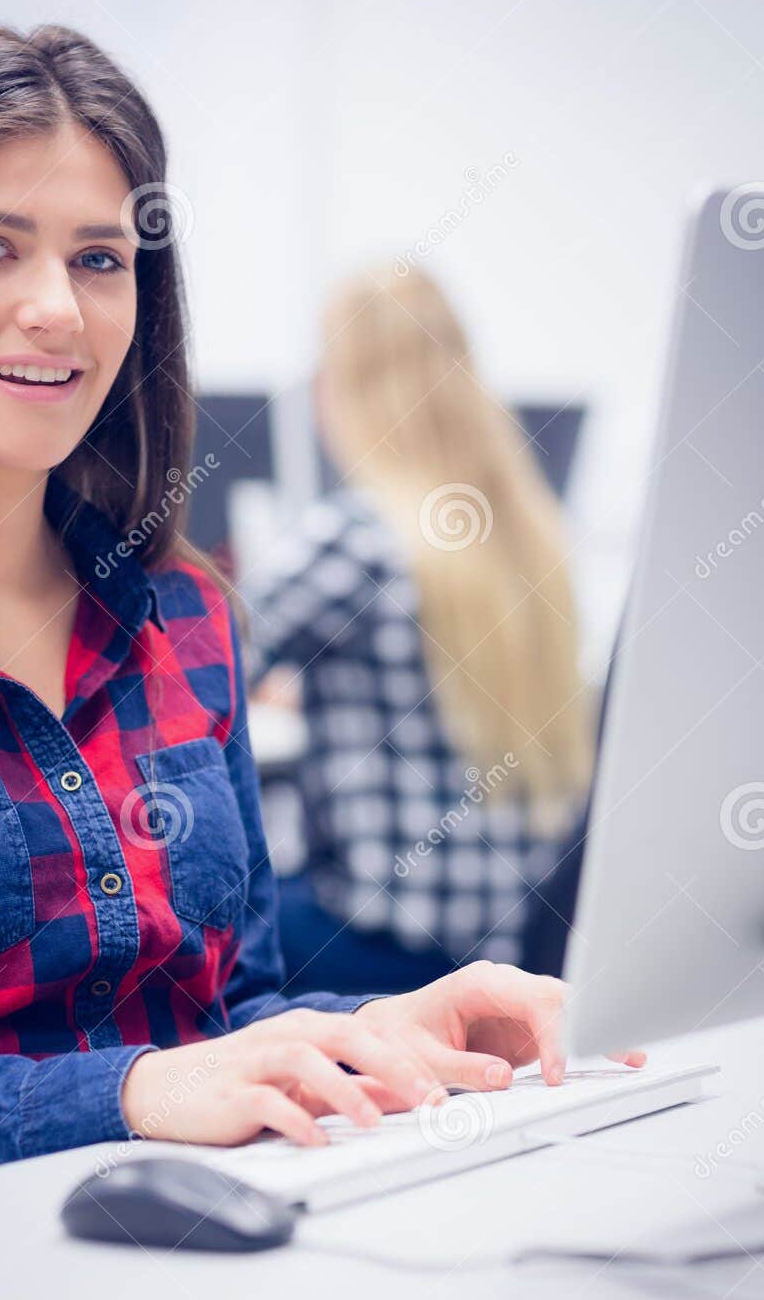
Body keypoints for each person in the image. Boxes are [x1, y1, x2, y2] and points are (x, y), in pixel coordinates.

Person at [0, 22, 643, 1210]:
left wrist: (381, 1028)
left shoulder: (185, 616)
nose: (57, 308)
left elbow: (226, 1015)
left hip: (195, 1252)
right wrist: (128, 1092)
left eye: (98, 258)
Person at [241, 267, 595, 995]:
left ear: (345, 388)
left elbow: (189, 675)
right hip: (520, 947)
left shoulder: (356, 538)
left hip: (388, 951)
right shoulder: (533, 533)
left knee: (199, 939)